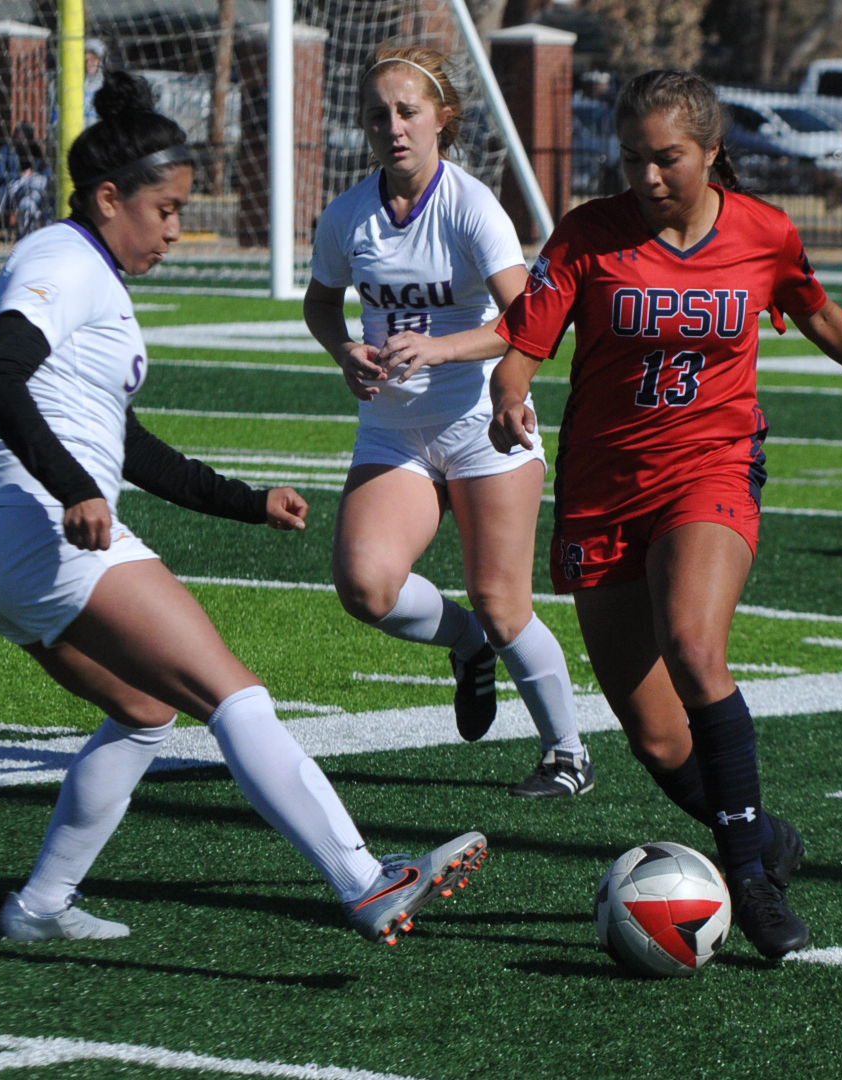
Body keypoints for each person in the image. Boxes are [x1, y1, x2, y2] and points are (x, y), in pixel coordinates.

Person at [0, 72, 487, 947]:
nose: (174, 228)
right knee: (234, 697)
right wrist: (75, 490)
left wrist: (246, 504)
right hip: (37, 524)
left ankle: (39, 906)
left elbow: (131, 447)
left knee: (144, 713)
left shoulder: (92, 276)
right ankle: (363, 882)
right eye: (163, 210)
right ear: (109, 197)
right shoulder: (59, 259)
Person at [486, 69, 842, 959]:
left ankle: (751, 884)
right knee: (653, 735)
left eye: (668, 160)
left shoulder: (762, 231)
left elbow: (812, 306)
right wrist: (508, 397)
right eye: (634, 160)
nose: (648, 178)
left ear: (712, 151)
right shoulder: (586, 236)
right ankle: (765, 835)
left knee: (694, 646)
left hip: (711, 469)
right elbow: (523, 345)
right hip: (604, 490)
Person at [303, 44, 593, 798]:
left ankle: (567, 751)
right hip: (394, 429)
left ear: (443, 119)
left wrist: (438, 348)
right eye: (378, 114)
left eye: (407, 111)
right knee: (366, 586)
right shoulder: (348, 215)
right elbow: (320, 301)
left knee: (504, 603)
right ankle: (465, 646)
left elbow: (531, 317)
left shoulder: (469, 205)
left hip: (481, 422)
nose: (392, 126)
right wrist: (344, 352)